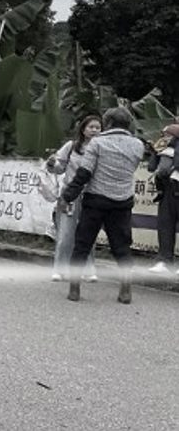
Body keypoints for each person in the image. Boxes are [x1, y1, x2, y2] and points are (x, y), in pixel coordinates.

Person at [61, 107, 146, 304]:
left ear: (107, 124)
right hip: (122, 201)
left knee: (82, 245)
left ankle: (74, 288)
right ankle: (125, 290)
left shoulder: (97, 143)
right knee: (122, 247)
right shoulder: (137, 145)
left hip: (96, 200)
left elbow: (84, 173)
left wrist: (68, 195)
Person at [45, 115, 101, 282]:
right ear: (83, 129)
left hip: (91, 195)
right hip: (70, 195)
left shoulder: (102, 148)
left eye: (98, 127)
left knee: (88, 234)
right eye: (91, 127)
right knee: (65, 233)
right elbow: (59, 168)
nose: (94, 130)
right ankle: (59, 269)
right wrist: (51, 164)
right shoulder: (71, 147)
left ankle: (88, 270)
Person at [148, 124, 179, 275]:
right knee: (165, 225)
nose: (164, 138)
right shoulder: (164, 146)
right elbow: (156, 168)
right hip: (169, 189)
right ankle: (164, 260)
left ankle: (165, 260)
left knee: (167, 225)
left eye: (167, 135)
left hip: (172, 185)